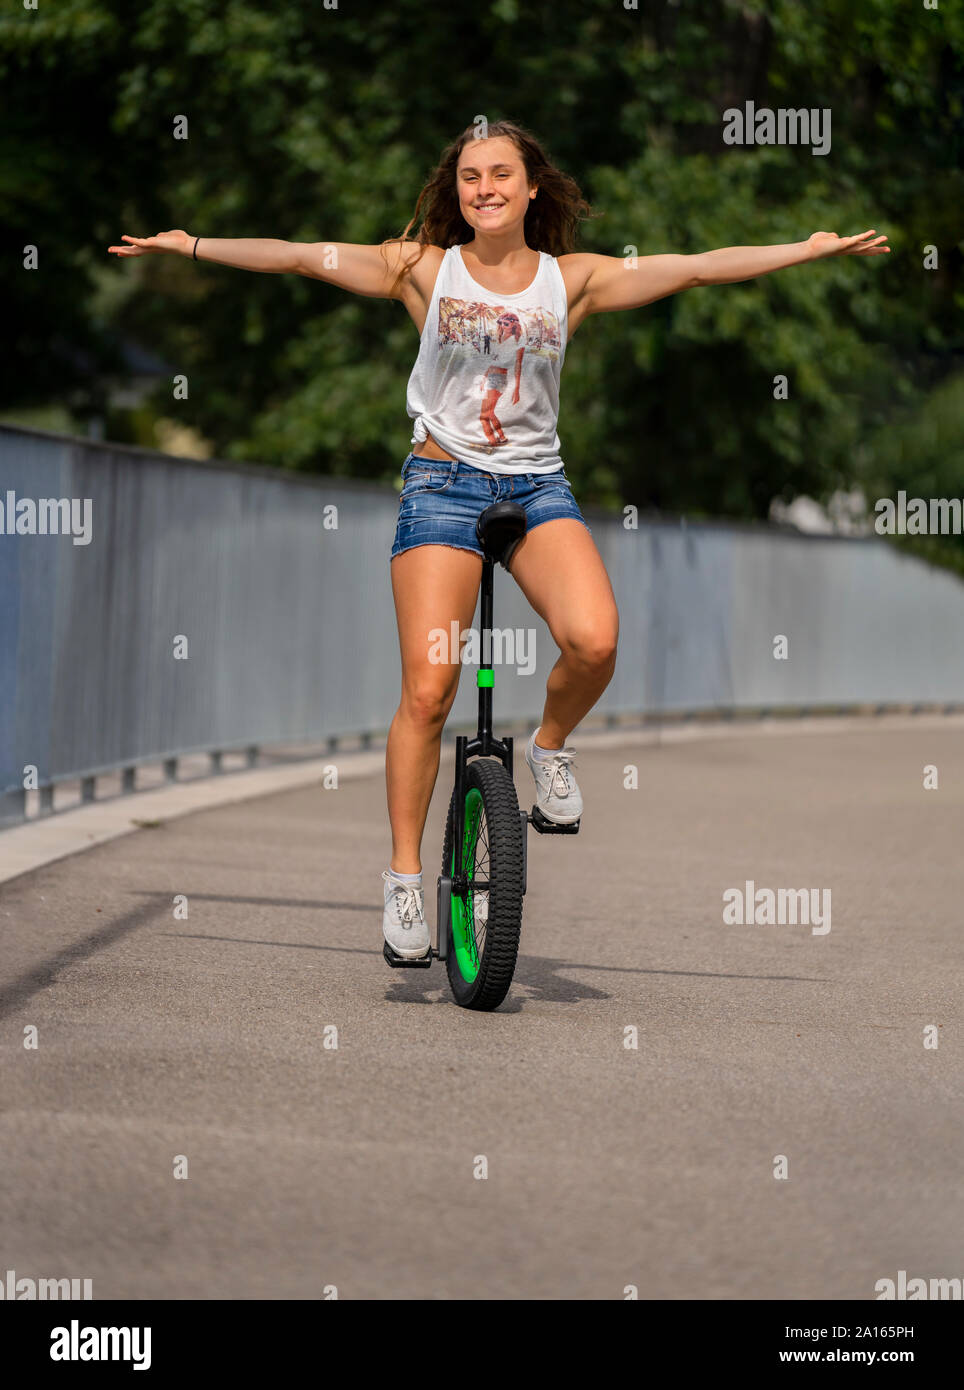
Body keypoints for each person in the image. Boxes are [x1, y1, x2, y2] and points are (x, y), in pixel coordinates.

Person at [108, 119, 889, 962]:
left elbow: (696, 267)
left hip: (536, 490)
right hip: (442, 488)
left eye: (500, 175)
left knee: (594, 640)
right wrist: (192, 246)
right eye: (469, 176)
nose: (483, 188)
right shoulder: (420, 267)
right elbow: (301, 254)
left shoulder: (574, 281)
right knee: (431, 690)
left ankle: (550, 750)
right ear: (458, 192)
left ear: (531, 190)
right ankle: (405, 881)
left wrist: (803, 250)